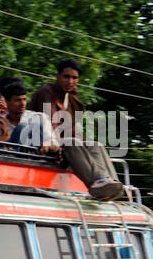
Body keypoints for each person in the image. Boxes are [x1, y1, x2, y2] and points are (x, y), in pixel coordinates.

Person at [29, 58, 124, 201]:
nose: (70, 81)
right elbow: (50, 124)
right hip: (43, 141)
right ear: (58, 76)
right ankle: (97, 181)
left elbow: (72, 128)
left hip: (64, 140)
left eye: (74, 78)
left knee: (95, 145)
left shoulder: (72, 97)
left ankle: (112, 183)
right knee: (71, 142)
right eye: (66, 76)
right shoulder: (46, 92)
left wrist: (85, 143)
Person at [3, 80, 56, 149]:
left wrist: (47, 146)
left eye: (24, 99)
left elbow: (54, 144)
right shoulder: (1, 122)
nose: (22, 104)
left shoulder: (40, 117)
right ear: (7, 102)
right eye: (17, 100)